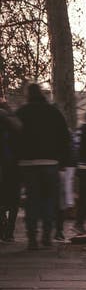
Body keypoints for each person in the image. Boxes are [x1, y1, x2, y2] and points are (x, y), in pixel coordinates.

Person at [16, 83, 70, 250]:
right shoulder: (53, 112)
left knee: (32, 200)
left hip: (28, 163)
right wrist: (63, 161)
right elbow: (65, 137)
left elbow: (13, 137)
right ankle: (47, 236)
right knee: (49, 200)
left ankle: (32, 238)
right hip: (50, 162)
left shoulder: (21, 112)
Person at [0, 97, 22, 242]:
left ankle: (2, 227)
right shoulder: (13, 121)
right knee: (14, 201)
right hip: (13, 165)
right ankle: (9, 233)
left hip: (5, 165)